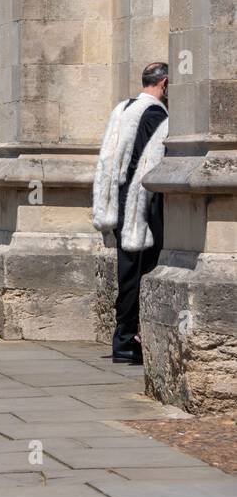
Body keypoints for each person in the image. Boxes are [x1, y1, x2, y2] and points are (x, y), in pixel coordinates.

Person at [92, 61, 169, 365]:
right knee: (138, 271)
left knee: (128, 270)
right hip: (141, 206)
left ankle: (125, 339)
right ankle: (126, 340)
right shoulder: (154, 114)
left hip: (120, 200)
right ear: (164, 84)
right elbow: (150, 162)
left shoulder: (124, 107)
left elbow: (110, 160)